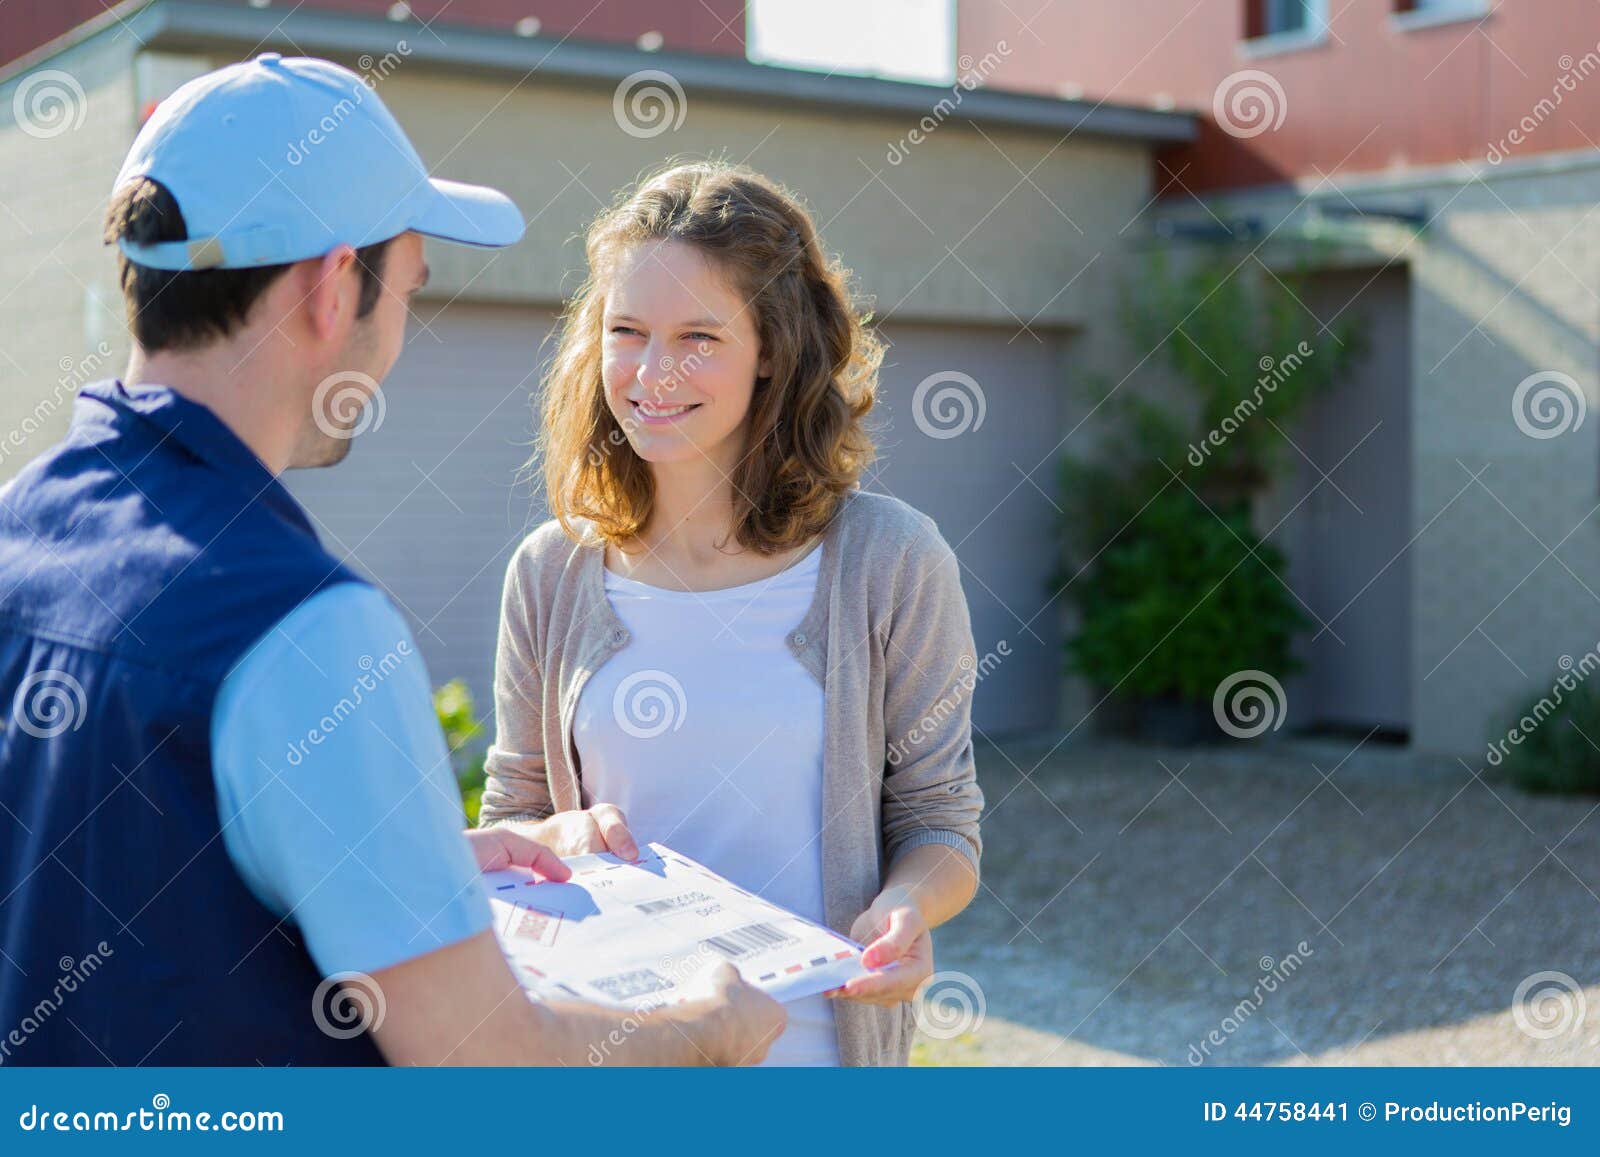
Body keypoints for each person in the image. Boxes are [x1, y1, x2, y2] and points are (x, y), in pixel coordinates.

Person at [0, 55, 783, 1067]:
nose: (401, 332)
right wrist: (704, 1023)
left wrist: (403, 865)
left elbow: (114, 866)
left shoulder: (20, 530)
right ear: (334, 286)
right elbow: (484, 1056)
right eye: (409, 286)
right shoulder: (301, 625)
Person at [478, 161, 985, 1066]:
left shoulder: (892, 561)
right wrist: (547, 839)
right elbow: (516, 811)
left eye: (699, 336)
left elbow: (941, 819)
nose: (652, 371)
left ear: (776, 351)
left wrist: (909, 903)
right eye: (626, 330)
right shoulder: (550, 572)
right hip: (618, 1075)